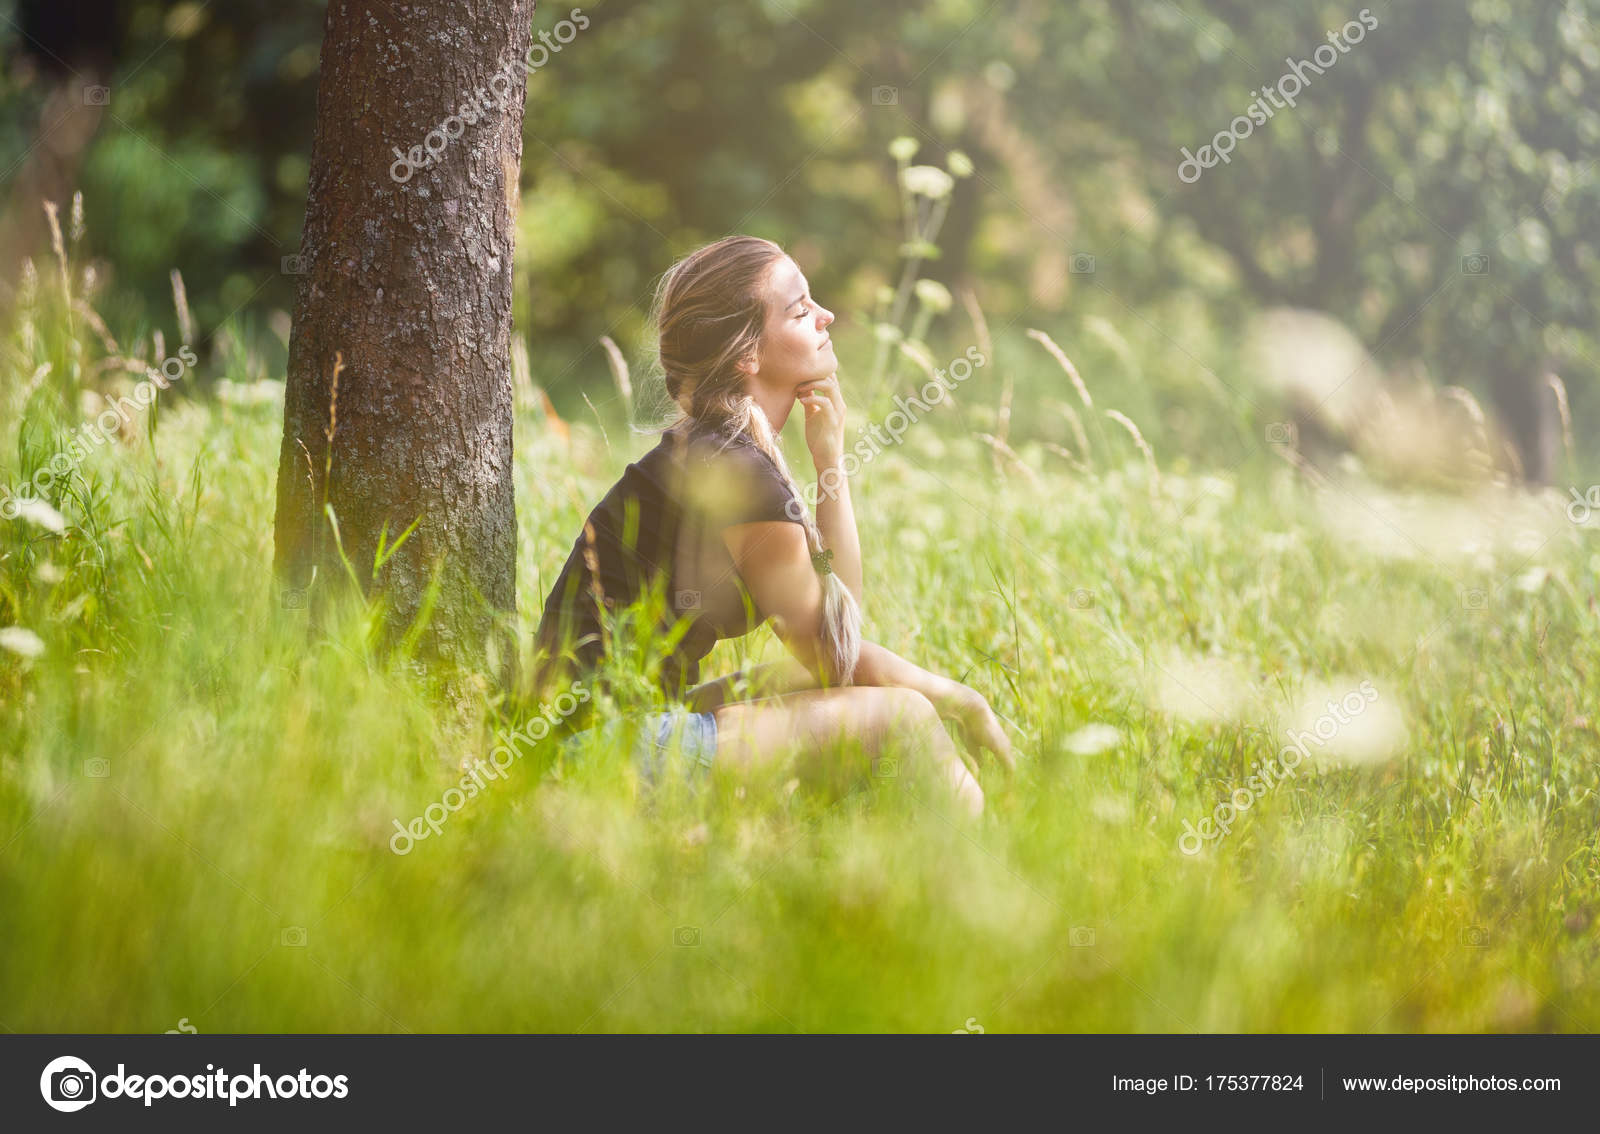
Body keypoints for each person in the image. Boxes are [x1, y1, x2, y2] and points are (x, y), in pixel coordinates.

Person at [530, 235, 1012, 816]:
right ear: (747, 356)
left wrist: (958, 700)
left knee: (807, 684)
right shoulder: (734, 467)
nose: (827, 315)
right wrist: (956, 699)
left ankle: (863, 849)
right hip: (596, 750)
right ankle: (974, 869)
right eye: (800, 309)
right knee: (904, 718)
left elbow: (832, 649)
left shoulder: (719, 452)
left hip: (591, 737)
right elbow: (837, 649)